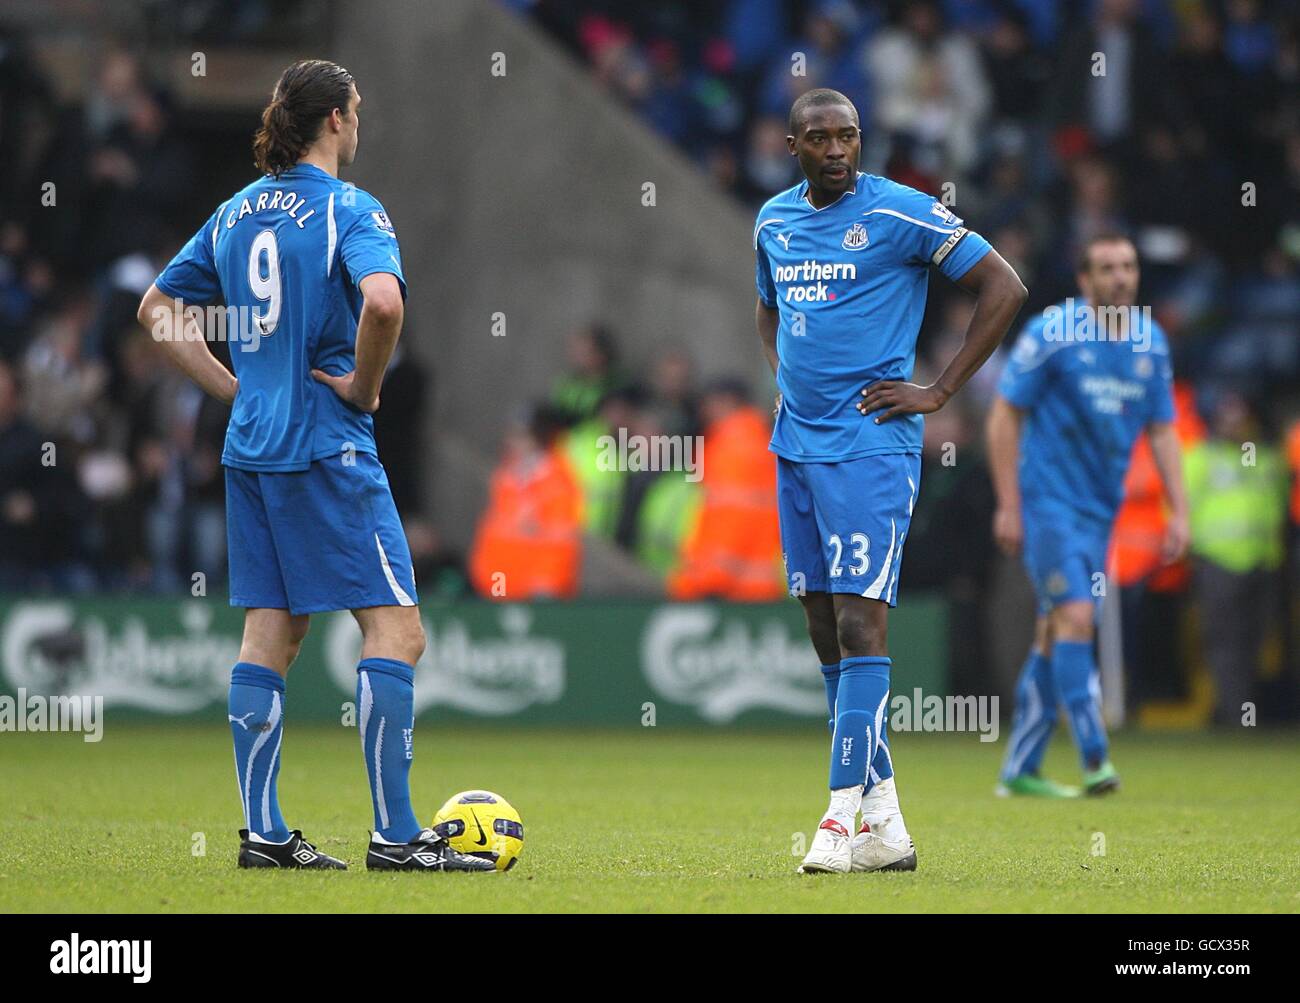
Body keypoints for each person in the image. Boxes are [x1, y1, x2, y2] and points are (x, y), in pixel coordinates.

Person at [136, 60, 493, 873]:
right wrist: (366, 387)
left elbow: (155, 308)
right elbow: (384, 302)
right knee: (397, 629)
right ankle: (398, 839)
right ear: (334, 119)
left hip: (251, 449)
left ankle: (263, 833)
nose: (359, 123)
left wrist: (233, 385)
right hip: (326, 444)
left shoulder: (233, 214)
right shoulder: (350, 208)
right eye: (357, 109)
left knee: (273, 630)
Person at [754, 88, 1027, 874]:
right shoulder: (773, 220)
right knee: (820, 624)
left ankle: (838, 820)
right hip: (796, 446)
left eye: (848, 136)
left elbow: (1005, 286)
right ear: (793, 144)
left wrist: (939, 391)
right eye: (819, 138)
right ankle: (888, 823)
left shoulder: (903, 212)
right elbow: (769, 313)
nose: (836, 149)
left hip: (872, 449)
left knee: (862, 626)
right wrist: (789, 380)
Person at [989, 233, 1188, 798]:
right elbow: (1005, 414)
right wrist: (1009, 503)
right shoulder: (1053, 333)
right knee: (1078, 618)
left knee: (1055, 633)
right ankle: (1096, 759)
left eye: (1128, 266)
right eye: (1106, 268)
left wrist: (1180, 510)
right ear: (1084, 280)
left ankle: (1020, 770)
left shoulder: (1151, 342)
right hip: (1048, 501)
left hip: (1101, 511)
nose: (1120, 277)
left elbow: (1163, 429)